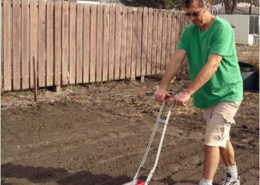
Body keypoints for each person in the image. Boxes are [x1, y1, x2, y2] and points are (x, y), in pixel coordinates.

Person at [153, 0, 243, 185]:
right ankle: (233, 176)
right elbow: (176, 60)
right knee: (220, 137)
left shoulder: (221, 29)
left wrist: (187, 92)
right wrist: (162, 86)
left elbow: (213, 64)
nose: (191, 18)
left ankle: (206, 182)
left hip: (227, 93)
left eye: (195, 13)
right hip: (208, 94)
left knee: (211, 141)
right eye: (187, 14)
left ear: (207, 6)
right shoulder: (189, 31)